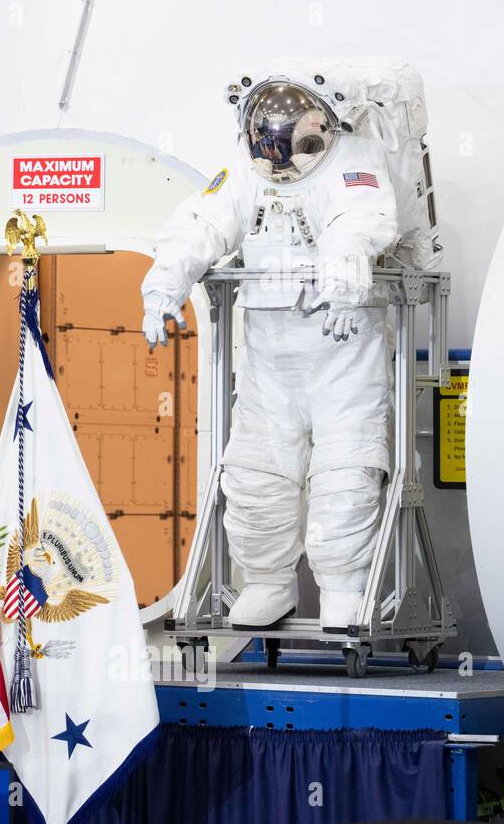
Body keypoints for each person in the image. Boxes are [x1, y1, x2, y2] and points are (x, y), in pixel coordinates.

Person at [139, 69, 399, 633]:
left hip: (343, 350)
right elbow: (200, 224)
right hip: (269, 355)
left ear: (320, 127)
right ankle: (267, 582)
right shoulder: (245, 174)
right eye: (268, 144)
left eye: (293, 144)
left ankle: (344, 589)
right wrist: (163, 288)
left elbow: (357, 223)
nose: (280, 158)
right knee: (257, 473)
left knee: (346, 470)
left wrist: (342, 278)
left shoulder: (353, 159)